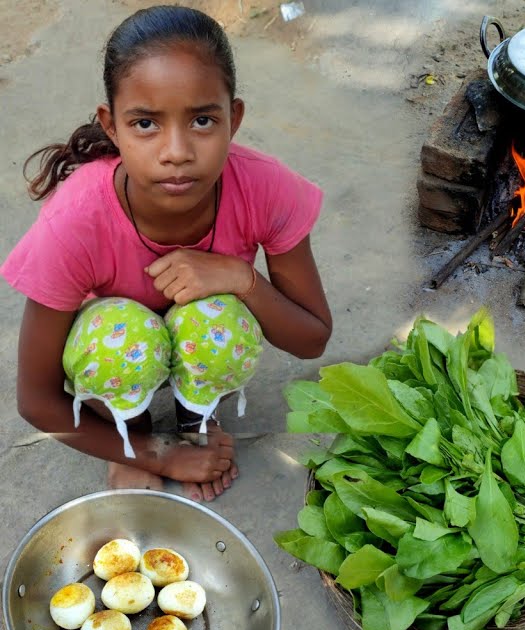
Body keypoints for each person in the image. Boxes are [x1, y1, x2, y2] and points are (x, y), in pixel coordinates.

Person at [2, 5, 332, 501]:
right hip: (117, 354)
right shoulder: (74, 223)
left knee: (218, 320)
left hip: (197, 338)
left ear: (233, 119)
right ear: (110, 126)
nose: (176, 150)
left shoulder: (266, 188)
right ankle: (128, 432)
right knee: (119, 334)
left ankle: (195, 418)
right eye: (145, 124)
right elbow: (36, 398)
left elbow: (312, 338)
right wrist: (154, 454)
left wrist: (241, 278)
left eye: (202, 120)